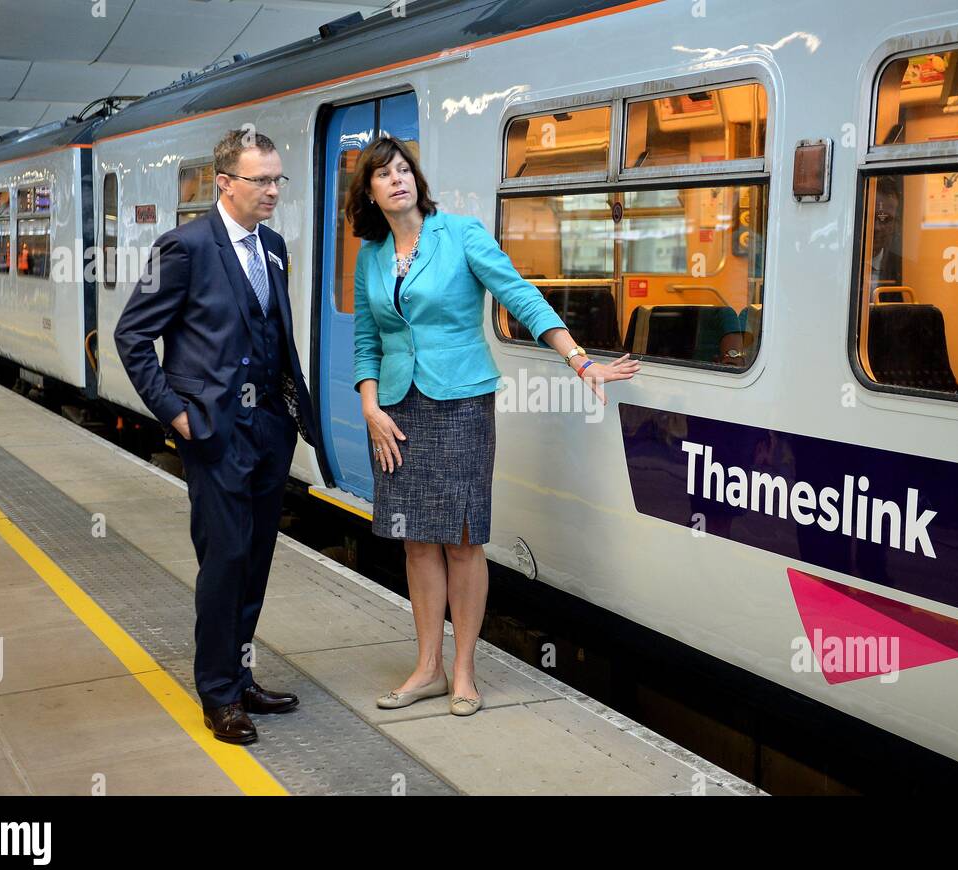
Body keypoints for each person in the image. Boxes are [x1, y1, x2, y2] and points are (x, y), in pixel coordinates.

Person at [350, 136, 639, 715]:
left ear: (417, 179)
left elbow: (521, 297)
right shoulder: (372, 255)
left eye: (404, 170)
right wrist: (369, 405)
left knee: (461, 539)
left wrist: (579, 360)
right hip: (396, 411)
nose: (397, 180)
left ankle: (463, 673)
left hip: (459, 406)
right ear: (371, 192)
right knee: (416, 541)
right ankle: (426, 668)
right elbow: (366, 339)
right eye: (384, 175)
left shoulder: (460, 235)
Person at [114, 129, 320, 744]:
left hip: (268, 429)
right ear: (225, 183)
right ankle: (218, 695)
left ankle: (241, 675)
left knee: (255, 559)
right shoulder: (184, 247)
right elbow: (131, 335)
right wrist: (175, 414)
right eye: (262, 180)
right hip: (212, 431)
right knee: (225, 560)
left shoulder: (275, 246)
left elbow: (273, 335)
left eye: (278, 179)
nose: (273, 191)